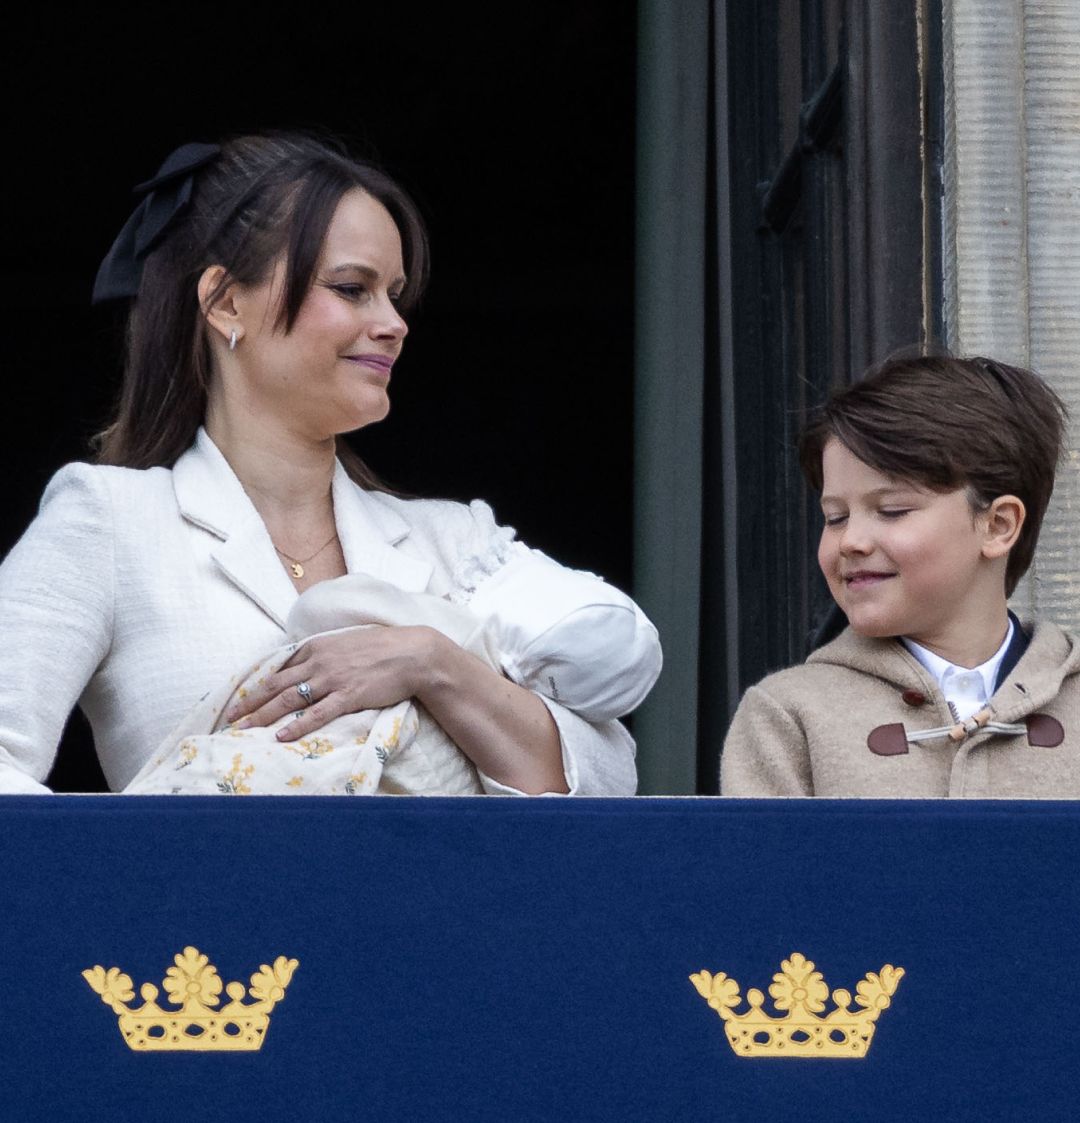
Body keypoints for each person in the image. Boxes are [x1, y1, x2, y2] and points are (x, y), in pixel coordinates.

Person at [0, 132, 660, 796]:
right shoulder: (112, 520)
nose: (394, 323)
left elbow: (605, 775)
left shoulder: (456, 541)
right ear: (226, 302)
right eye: (352, 288)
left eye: (394, 295)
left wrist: (429, 660)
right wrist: (107, 888)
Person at [721, 353, 1080, 798]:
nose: (851, 540)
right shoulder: (788, 714)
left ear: (998, 525)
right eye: (834, 517)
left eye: (892, 511)